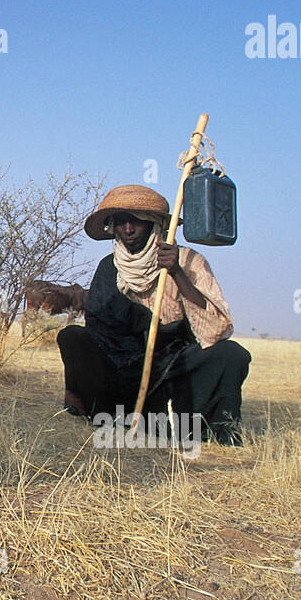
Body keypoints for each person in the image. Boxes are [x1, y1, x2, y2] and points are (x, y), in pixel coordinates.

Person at [58, 185, 250, 446]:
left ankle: (216, 428)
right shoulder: (108, 267)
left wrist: (177, 273)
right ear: (112, 227)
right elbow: (99, 327)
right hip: (124, 366)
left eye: (137, 222)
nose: (128, 230)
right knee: (73, 337)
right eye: (121, 222)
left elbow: (215, 331)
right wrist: (142, 325)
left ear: (156, 226)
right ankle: (96, 409)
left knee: (231, 354)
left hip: (176, 364)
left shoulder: (189, 261)